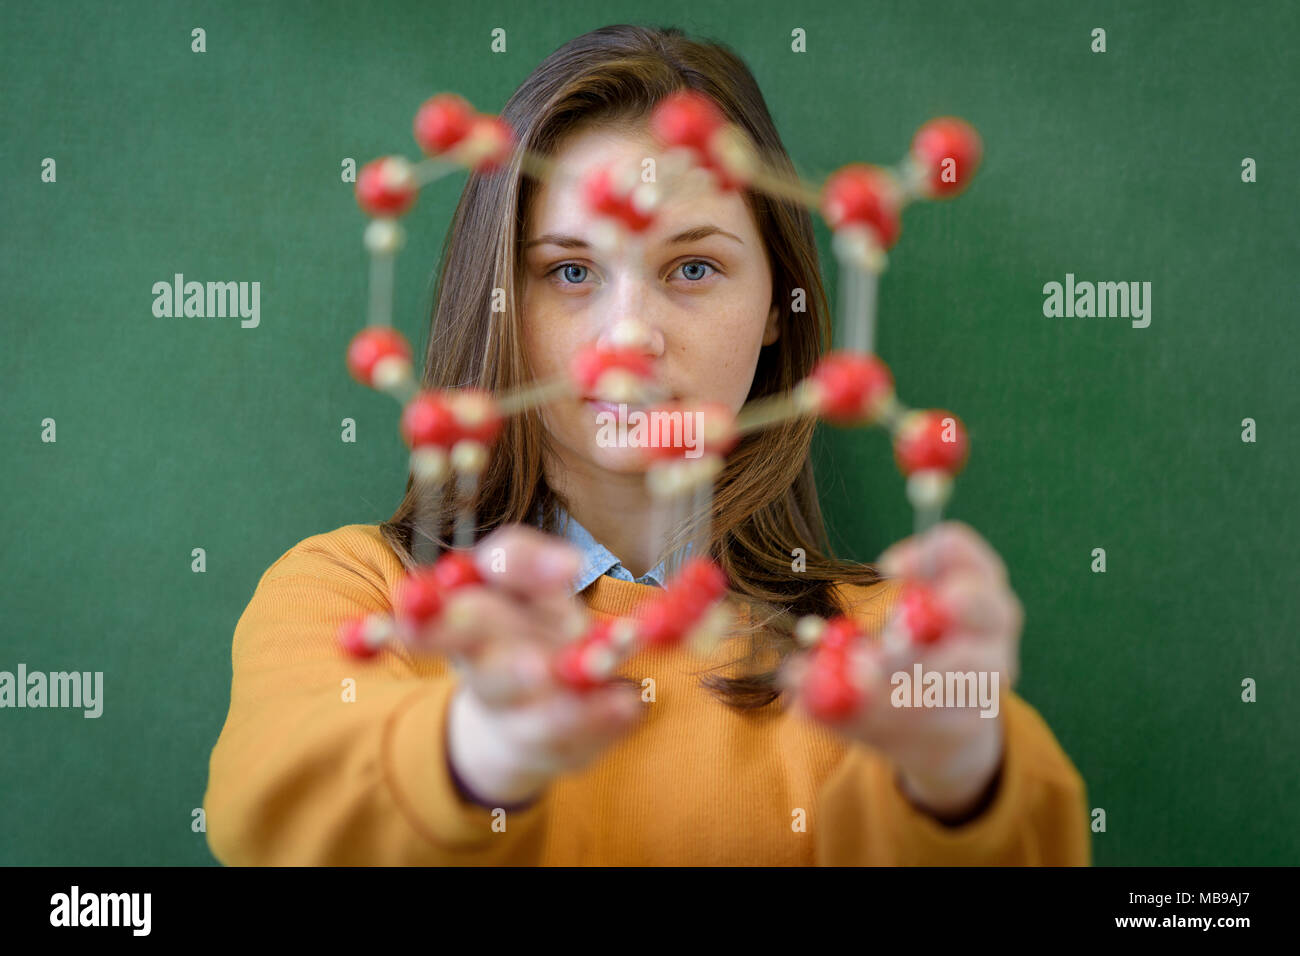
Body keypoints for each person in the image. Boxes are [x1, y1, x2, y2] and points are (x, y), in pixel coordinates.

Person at [203, 24, 1090, 865]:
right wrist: (476, 751)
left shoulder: (885, 649)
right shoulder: (359, 599)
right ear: (499, 303)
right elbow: (273, 812)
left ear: (780, 310)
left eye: (692, 268)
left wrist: (959, 778)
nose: (631, 337)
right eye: (571, 271)